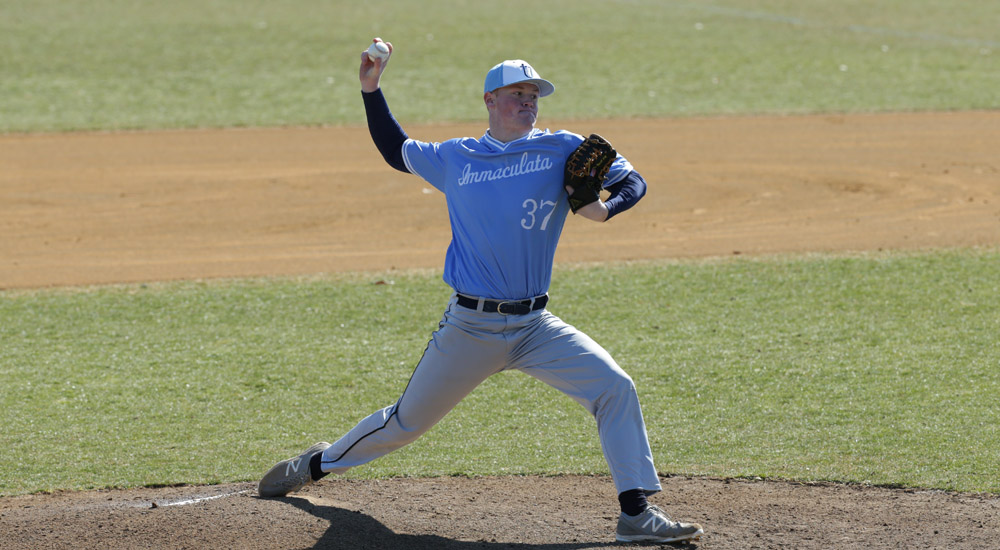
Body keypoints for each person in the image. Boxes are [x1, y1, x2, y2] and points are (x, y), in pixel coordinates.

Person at [258, 37, 704, 544]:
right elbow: (396, 149)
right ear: (490, 101)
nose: (529, 103)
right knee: (405, 424)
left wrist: (605, 209)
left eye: (534, 95)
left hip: (536, 326)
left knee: (614, 387)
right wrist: (370, 88)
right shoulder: (457, 158)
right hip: (471, 327)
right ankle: (315, 464)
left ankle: (635, 513)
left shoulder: (563, 147)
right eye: (518, 94)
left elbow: (633, 180)